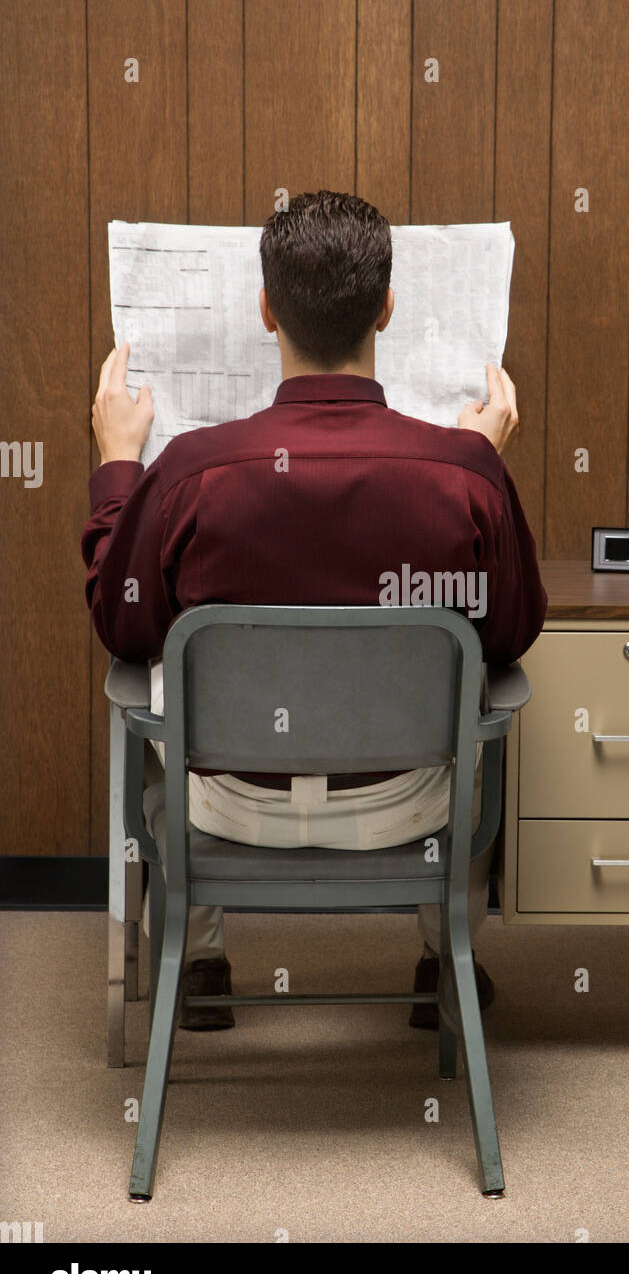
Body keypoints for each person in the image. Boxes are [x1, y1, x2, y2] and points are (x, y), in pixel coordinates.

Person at [82, 190, 547, 1031]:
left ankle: (201, 964)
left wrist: (119, 464)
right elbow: (508, 636)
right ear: (389, 307)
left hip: (225, 806)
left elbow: (124, 629)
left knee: (155, 705)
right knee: (481, 732)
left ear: (264, 311)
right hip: (408, 804)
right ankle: (448, 961)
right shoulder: (463, 476)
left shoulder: (189, 472)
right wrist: (481, 464)